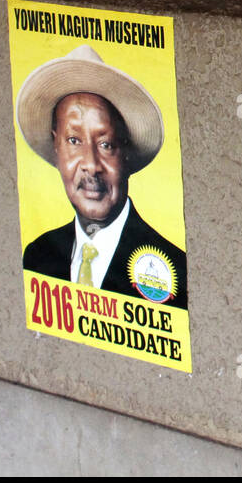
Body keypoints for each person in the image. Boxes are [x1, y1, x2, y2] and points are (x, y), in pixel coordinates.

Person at [18, 45, 186, 307]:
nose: (91, 165)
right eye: (74, 140)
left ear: (126, 153)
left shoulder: (175, 272)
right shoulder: (38, 255)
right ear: (56, 147)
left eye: (106, 144)